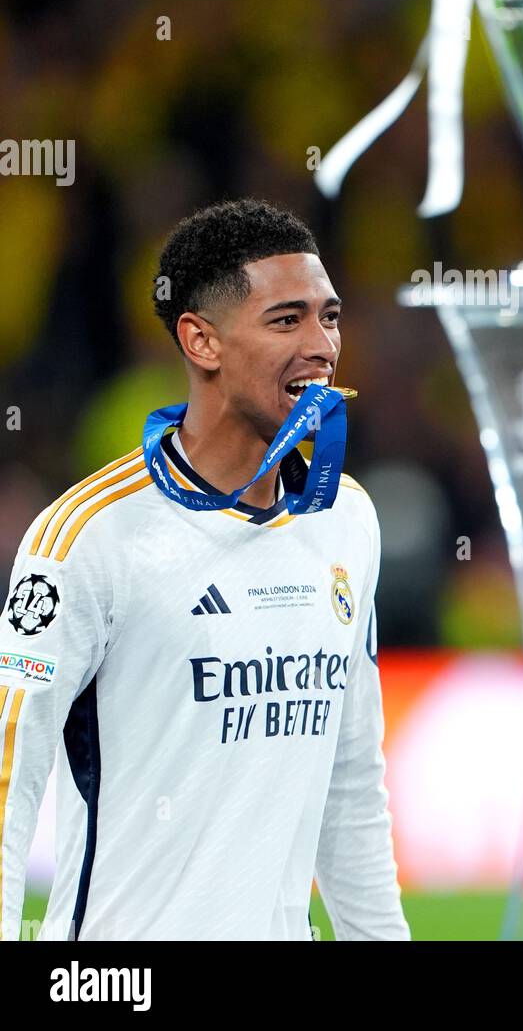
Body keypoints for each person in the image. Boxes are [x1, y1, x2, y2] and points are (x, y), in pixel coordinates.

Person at [0, 197, 410, 941]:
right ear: (202, 341)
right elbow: (8, 782)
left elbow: (351, 786)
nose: (322, 345)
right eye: (287, 320)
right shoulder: (88, 537)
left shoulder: (347, 521)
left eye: (331, 316)